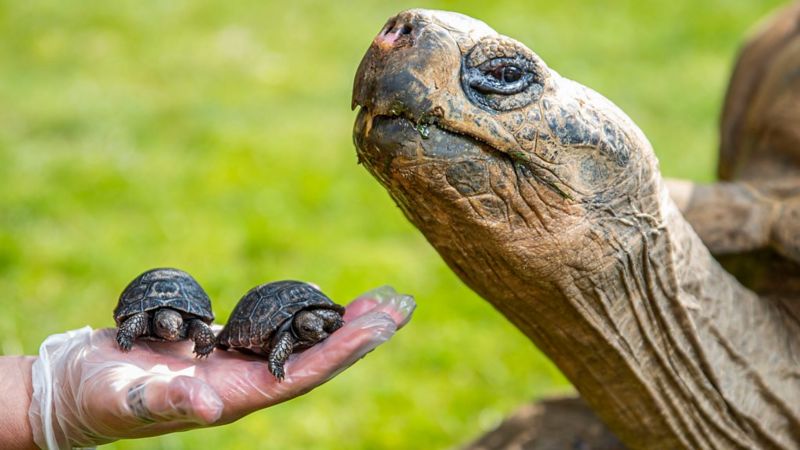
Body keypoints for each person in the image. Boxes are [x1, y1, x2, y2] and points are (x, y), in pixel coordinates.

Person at [0, 287, 414, 450]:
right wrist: (50, 395)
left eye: (321, 324)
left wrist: (33, 389)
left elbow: (304, 327)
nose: (168, 329)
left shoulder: (314, 320)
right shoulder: (148, 320)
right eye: (162, 324)